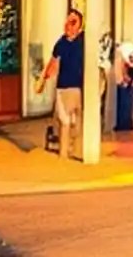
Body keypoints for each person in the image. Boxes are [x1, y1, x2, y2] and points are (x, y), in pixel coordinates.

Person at [36, 9, 85, 160]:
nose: (68, 25)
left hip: (80, 88)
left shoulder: (84, 41)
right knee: (65, 121)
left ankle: (74, 149)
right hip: (63, 87)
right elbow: (53, 63)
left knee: (77, 123)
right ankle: (63, 154)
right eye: (67, 21)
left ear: (80, 26)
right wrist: (43, 79)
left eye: (73, 22)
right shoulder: (61, 43)